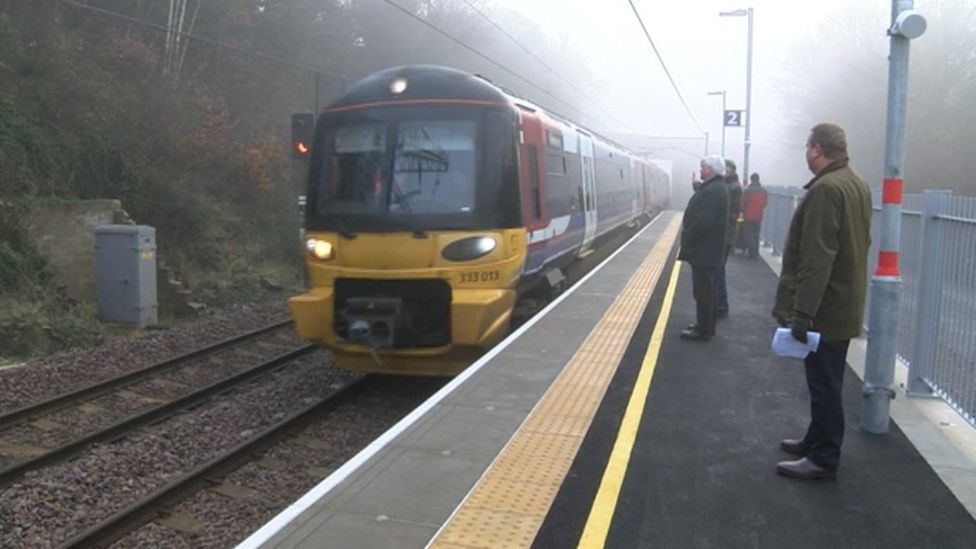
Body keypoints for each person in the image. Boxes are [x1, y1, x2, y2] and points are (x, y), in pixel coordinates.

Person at [772, 123, 872, 480]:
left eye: (807, 147)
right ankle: (816, 440)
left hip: (825, 308)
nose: (806, 153)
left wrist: (802, 312)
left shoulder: (826, 190)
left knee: (824, 385)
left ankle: (824, 457)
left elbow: (818, 256)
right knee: (826, 381)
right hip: (843, 301)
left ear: (817, 149)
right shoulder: (856, 183)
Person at [677, 155, 729, 342]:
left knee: (703, 292)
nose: (700, 170)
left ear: (711, 169)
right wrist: (698, 188)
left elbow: (704, 220)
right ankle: (705, 325)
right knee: (708, 291)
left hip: (705, 250)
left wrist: (688, 235)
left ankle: (703, 330)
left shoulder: (713, 191)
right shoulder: (716, 187)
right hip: (709, 249)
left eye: (703, 167)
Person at [715, 160, 742, 318]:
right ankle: (720, 305)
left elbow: (723, 207)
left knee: (718, 271)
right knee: (718, 270)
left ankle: (721, 306)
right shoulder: (731, 186)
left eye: (725, 169)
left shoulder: (732, 188)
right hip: (726, 234)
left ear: (731, 170)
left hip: (725, 234)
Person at [741, 172, 768, 259]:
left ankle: (751, 252)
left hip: (748, 215)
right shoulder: (764, 191)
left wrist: (742, 212)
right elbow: (765, 203)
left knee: (749, 234)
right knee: (756, 234)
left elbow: (743, 203)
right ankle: (756, 252)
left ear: (751, 180)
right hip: (759, 216)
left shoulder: (747, 191)